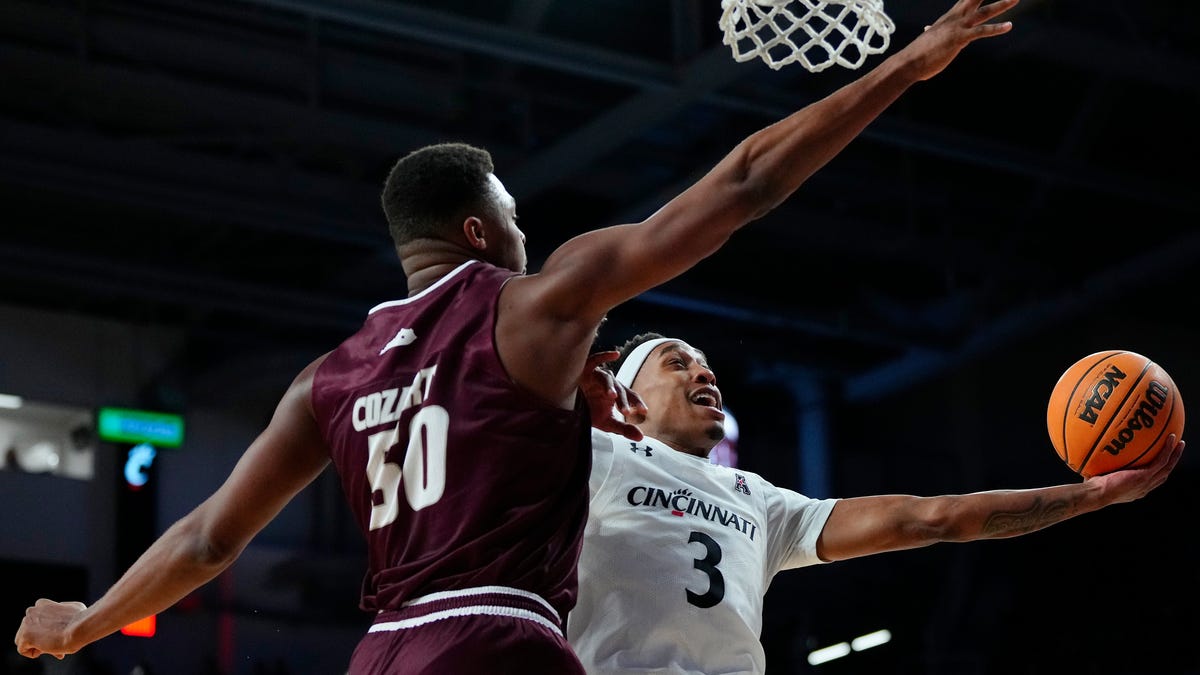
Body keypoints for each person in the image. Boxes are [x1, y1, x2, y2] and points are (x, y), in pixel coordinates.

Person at [15, 0, 1023, 671]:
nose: (524, 234)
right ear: (479, 230)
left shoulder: (328, 379)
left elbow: (204, 539)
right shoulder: (532, 306)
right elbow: (745, 186)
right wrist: (905, 68)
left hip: (383, 652)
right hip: (499, 637)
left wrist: (84, 624)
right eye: (513, 218)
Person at [568, 333, 1186, 674]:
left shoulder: (759, 500)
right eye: (679, 364)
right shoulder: (588, 454)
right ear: (626, 394)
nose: (705, 375)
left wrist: (1091, 496)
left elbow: (930, 517)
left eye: (707, 366)